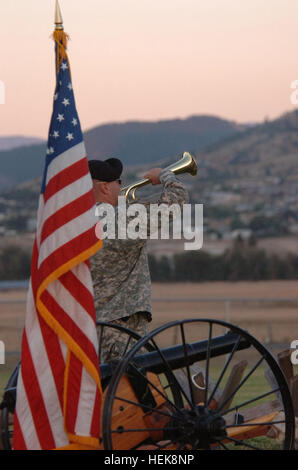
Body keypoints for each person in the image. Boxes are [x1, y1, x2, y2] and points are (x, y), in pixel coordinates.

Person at [89, 157, 188, 362]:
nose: (121, 187)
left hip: (90, 329)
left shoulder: (74, 223)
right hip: (121, 330)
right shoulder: (118, 219)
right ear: (105, 187)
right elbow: (177, 199)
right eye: (118, 182)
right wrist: (164, 175)